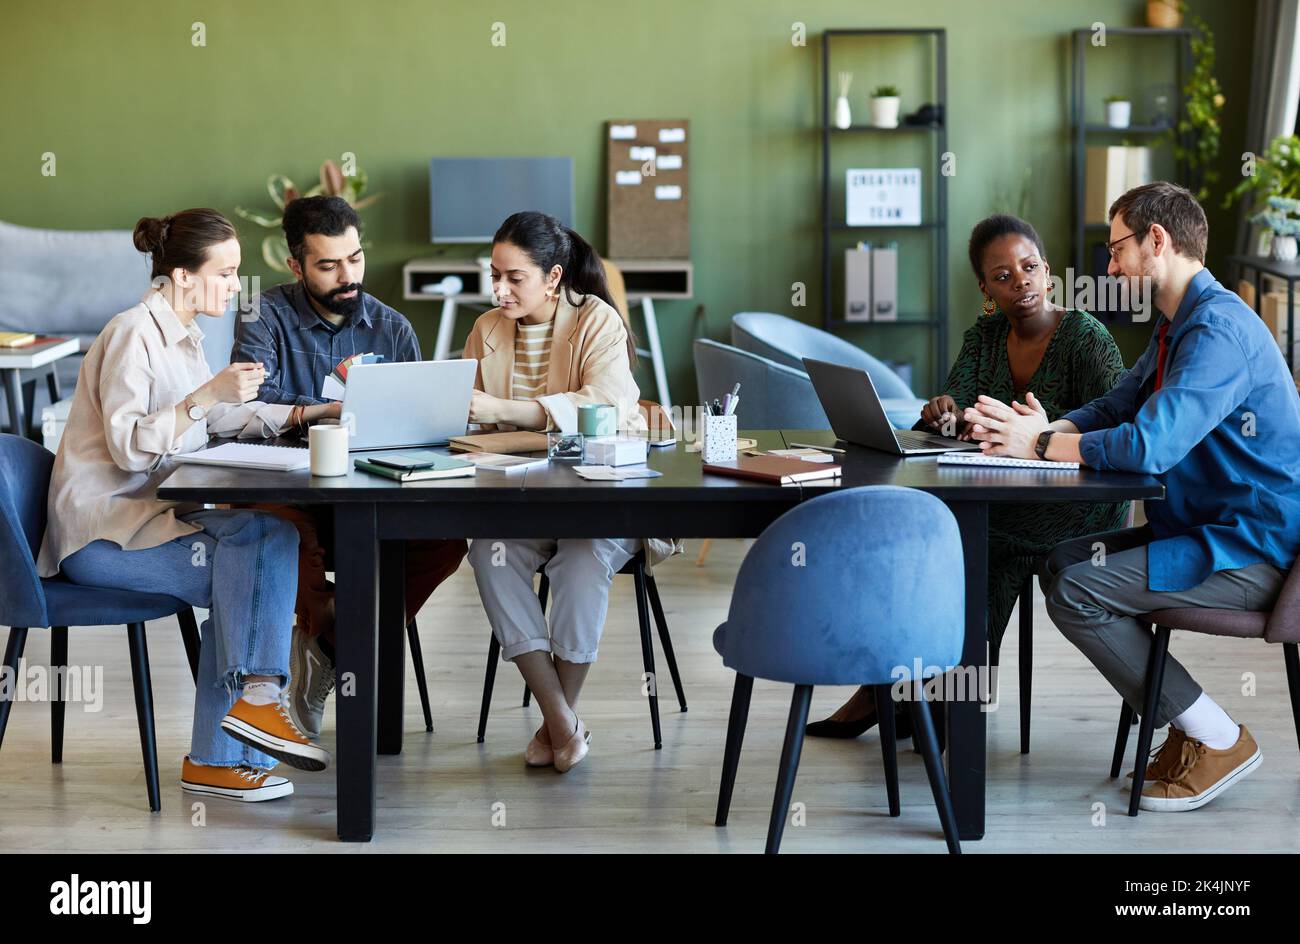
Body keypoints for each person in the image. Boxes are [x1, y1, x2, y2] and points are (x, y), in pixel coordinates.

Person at [965, 182, 1300, 811]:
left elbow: (1149, 445)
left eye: (1117, 248)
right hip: (1202, 531)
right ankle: (1186, 727)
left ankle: (1217, 736)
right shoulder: (1179, 324)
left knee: (1077, 588)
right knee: (1063, 561)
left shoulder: (1219, 331)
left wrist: (1038, 446)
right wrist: (1050, 430)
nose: (1111, 266)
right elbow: (1119, 402)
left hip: (1253, 550)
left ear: (1157, 240)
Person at [37, 208, 328, 802]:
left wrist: (307, 414)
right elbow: (129, 447)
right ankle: (247, 719)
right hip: (103, 538)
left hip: (150, 519)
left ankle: (228, 744)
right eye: (225, 272)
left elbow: (220, 416)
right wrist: (203, 398)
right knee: (247, 559)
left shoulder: (184, 335)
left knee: (272, 538)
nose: (235, 286)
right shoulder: (131, 333)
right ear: (182, 276)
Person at [807, 214, 1128, 739]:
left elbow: (1116, 426)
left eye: (1028, 268)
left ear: (1047, 271)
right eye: (1002, 276)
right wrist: (944, 415)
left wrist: (1045, 445)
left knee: (967, 540)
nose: (1019, 281)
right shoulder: (984, 335)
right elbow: (957, 412)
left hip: (1077, 501)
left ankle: (930, 693)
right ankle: (917, 688)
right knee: (924, 533)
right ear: (985, 288)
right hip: (998, 489)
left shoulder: (1086, 339)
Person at [229, 195, 467, 738]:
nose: (347, 275)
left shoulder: (394, 330)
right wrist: (334, 410)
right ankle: (328, 633)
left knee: (447, 541)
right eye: (328, 265)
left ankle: (328, 649)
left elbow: (418, 432)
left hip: (371, 494)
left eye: (355, 259)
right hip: (287, 490)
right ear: (296, 266)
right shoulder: (262, 315)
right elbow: (247, 408)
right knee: (279, 531)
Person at [463, 210, 675, 772]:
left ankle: (557, 719)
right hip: (523, 501)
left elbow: (602, 408)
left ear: (553, 277)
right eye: (495, 275)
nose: (500, 289)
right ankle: (561, 720)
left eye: (515, 277)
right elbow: (464, 421)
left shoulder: (595, 321)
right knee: (488, 552)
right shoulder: (486, 329)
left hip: (600, 499)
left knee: (582, 559)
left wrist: (506, 415)